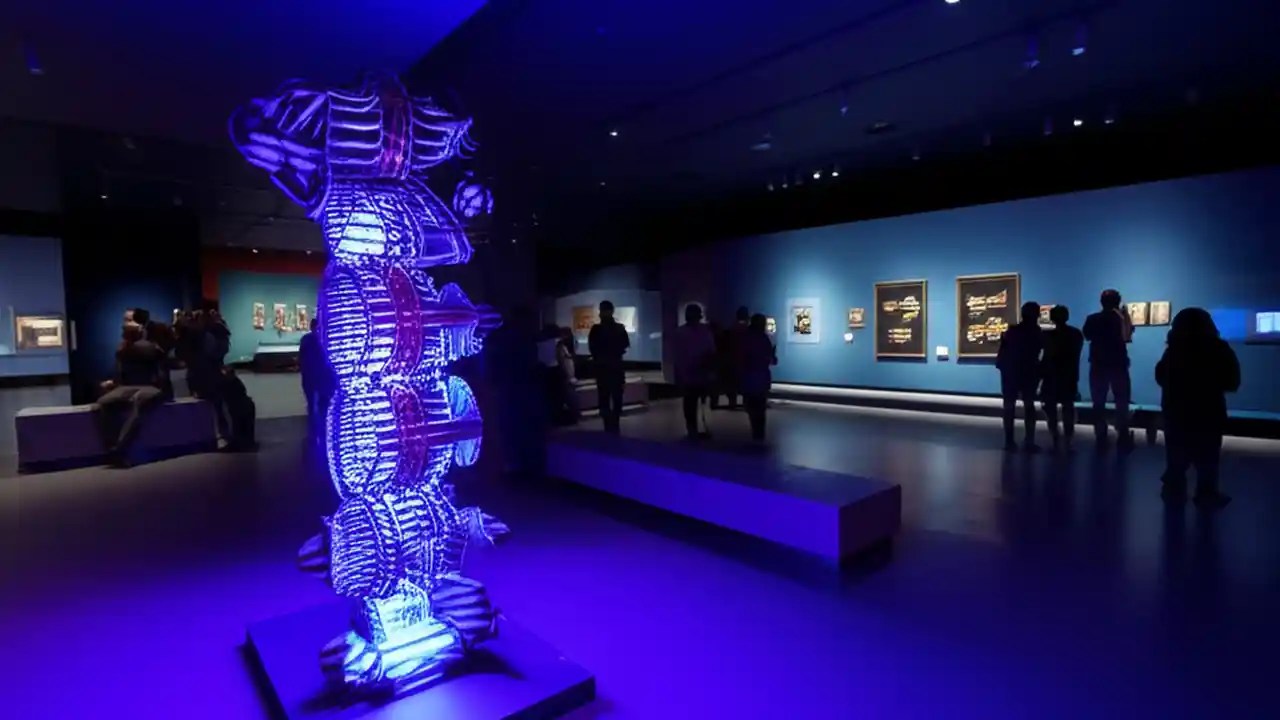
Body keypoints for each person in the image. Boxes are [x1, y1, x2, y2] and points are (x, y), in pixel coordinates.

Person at [1156, 308, 1240, 508]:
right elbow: (1232, 381)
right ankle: (1206, 493)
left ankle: (1173, 489)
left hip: (1176, 411)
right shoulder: (1219, 348)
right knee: (1208, 456)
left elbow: (1160, 376)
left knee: (1176, 454)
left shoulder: (1173, 350)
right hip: (1208, 411)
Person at [94, 322, 166, 465]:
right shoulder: (142, 349)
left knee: (133, 402)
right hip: (138, 387)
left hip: (145, 387)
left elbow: (158, 374)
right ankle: (116, 447)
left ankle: (117, 447)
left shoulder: (126, 350)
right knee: (110, 403)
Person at [1083, 289, 1134, 451]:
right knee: (1122, 400)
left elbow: (1087, 335)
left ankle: (1100, 433)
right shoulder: (1121, 319)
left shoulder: (1093, 319)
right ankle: (1123, 434)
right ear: (1117, 301)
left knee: (1098, 401)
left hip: (1098, 364)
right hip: (1118, 363)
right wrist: (1125, 317)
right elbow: (1127, 337)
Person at [996, 302, 1044, 452]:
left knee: (1009, 406)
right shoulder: (1037, 332)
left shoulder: (1012, 331)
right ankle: (1029, 440)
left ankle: (1009, 440)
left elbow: (1002, 353)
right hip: (1029, 371)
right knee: (1029, 405)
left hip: (1011, 372)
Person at [1040, 305, 1084, 450]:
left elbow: (1046, 357)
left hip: (1051, 376)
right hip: (1068, 376)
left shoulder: (1047, 336)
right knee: (1067, 408)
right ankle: (1068, 438)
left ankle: (1056, 436)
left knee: (1050, 408)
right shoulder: (1076, 334)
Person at [672, 303, 717, 439]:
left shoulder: (680, 332)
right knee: (699, 402)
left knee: (690, 403)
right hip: (699, 372)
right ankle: (698, 428)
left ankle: (692, 429)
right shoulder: (705, 332)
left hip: (689, 373)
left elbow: (676, 355)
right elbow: (712, 353)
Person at [587, 300, 630, 433]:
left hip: (603, 369)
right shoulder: (619, 328)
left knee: (605, 398)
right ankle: (614, 425)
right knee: (615, 398)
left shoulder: (596, 330)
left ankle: (609, 427)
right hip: (615, 368)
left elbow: (592, 349)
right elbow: (624, 346)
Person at [739, 313, 778, 444]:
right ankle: (759, 434)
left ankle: (756, 434)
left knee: (752, 407)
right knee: (759, 408)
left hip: (750, 376)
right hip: (760, 376)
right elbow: (771, 359)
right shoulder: (763, 338)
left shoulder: (746, 338)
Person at [299, 316, 333, 444]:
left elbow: (302, 359)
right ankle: (323, 431)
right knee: (322, 405)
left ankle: (314, 434)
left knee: (312, 405)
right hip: (321, 378)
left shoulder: (306, 340)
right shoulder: (323, 340)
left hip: (309, 377)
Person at [556, 327, 580, 425]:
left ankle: (574, 416)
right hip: (568, 375)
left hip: (568, 375)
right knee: (570, 396)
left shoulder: (564, 346)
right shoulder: (563, 346)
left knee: (570, 396)